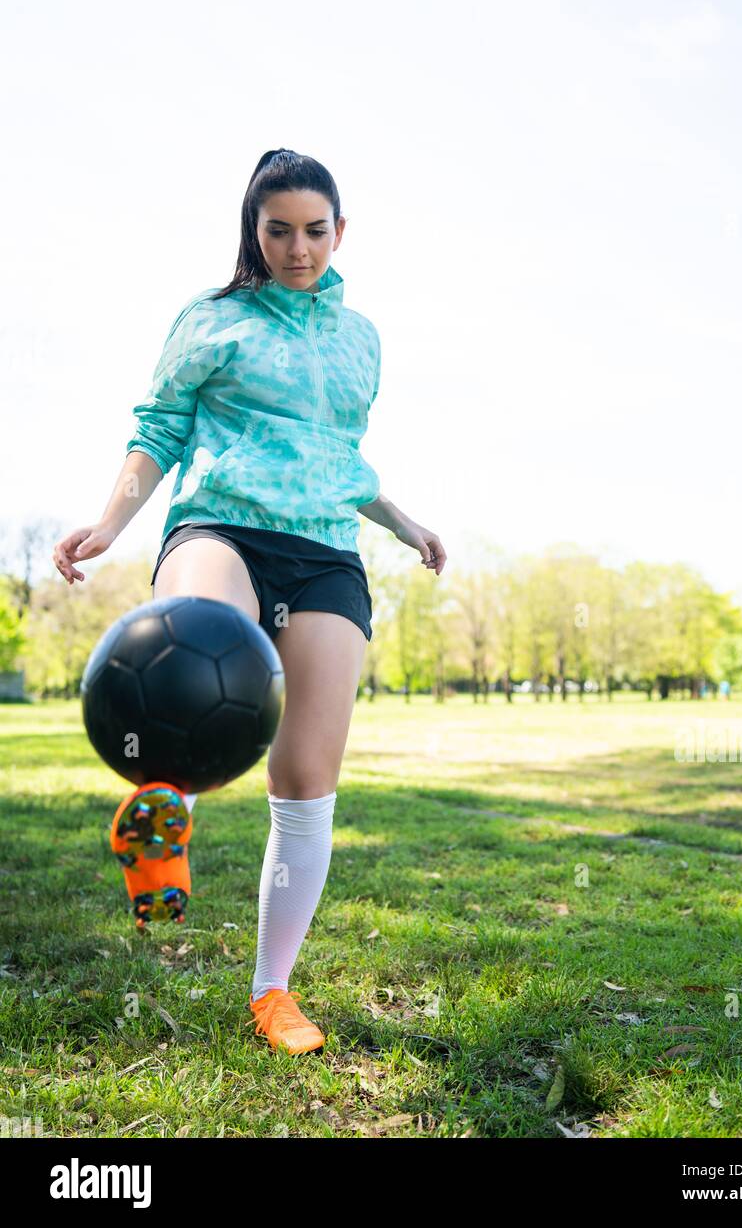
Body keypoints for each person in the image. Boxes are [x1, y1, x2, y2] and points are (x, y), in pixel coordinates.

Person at [52, 148, 447, 1055]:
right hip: (222, 526)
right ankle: (160, 816)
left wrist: (402, 521)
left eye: (314, 231)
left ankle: (273, 992)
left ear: (340, 233)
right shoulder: (212, 318)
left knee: (305, 781)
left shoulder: (362, 339)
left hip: (323, 552)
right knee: (200, 643)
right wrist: (112, 524)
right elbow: (157, 428)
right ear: (254, 232)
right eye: (278, 231)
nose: (297, 248)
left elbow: (338, 455)